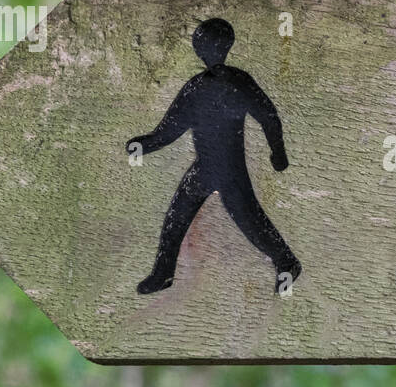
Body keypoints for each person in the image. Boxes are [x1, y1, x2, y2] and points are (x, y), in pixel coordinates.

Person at [126, 18, 300, 294]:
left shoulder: (197, 87)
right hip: (209, 168)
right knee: (179, 216)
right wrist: (278, 153)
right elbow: (269, 117)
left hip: (225, 170)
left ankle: (287, 262)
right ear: (227, 45)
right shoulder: (238, 81)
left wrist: (143, 145)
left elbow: (168, 132)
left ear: (199, 49)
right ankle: (163, 272)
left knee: (248, 221)